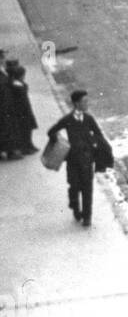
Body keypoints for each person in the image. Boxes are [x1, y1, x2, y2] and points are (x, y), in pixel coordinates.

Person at [47, 89, 113, 227]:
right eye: (84, 101)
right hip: (72, 160)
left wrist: (93, 143)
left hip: (87, 159)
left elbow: (98, 134)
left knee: (87, 188)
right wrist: (61, 143)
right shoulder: (67, 120)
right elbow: (51, 132)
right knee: (75, 186)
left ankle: (87, 217)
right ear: (76, 103)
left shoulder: (88, 119)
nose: (87, 103)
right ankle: (76, 207)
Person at [5, 59, 37, 154]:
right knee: (24, 129)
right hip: (21, 111)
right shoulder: (16, 86)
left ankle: (29, 144)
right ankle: (25, 147)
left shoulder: (19, 84)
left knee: (28, 128)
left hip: (25, 110)